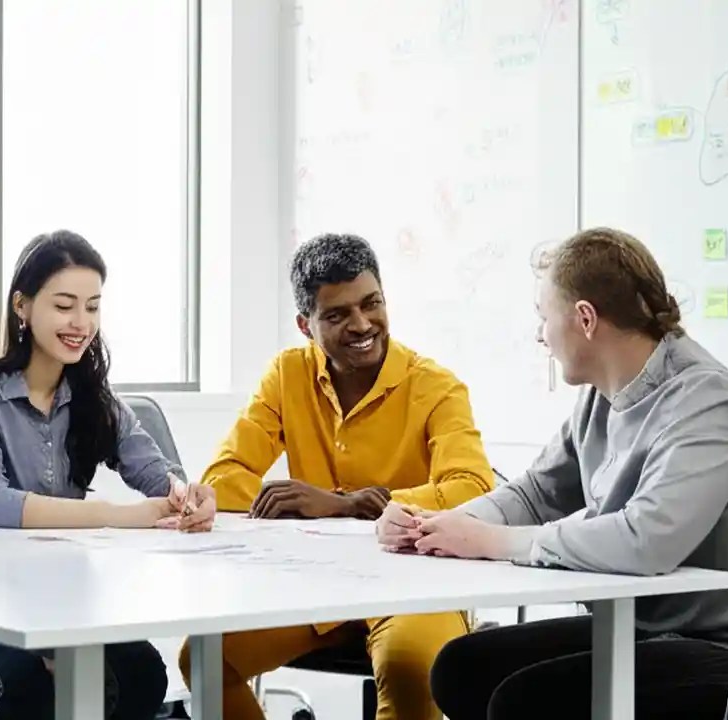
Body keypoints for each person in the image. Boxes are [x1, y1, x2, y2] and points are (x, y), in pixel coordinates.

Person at [378, 227, 728, 719]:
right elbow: (534, 494)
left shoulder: (709, 400)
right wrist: (433, 529)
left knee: (524, 703)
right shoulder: (600, 398)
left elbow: (647, 540)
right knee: (462, 668)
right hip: (649, 629)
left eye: (543, 317)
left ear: (585, 319)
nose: (539, 335)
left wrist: (492, 541)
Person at [0, 229, 216, 720]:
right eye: (64, 306)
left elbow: (158, 474)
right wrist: (118, 516)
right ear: (23, 306)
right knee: (32, 686)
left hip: (54, 609)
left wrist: (189, 497)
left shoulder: (94, 398)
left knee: (142, 672)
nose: (81, 323)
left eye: (93, 307)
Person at [179, 233, 495, 720]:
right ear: (306, 325)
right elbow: (223, 478)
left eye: (372, 304)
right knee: (203, 658)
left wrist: (343, 504)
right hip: (316, 585)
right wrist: (293, 502)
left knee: (413, 670)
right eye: (337, 315)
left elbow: (472, 488)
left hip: (415, 584)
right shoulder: (287, 375)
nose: (362, 324)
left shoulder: (436, 386)